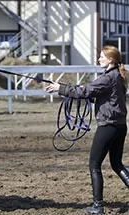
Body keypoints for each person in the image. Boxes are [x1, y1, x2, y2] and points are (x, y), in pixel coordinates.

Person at [45, 45, 129, 215]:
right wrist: (66, 89)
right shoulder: (118, 76)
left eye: (102, 57)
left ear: (111, 60)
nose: (99, 59)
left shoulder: (107, 78)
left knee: (94, 164)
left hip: (108, 126)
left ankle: (98, 206)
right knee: (116, 163)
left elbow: (86, 91)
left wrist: (59, 88)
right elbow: (96, 95)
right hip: (120, 126)